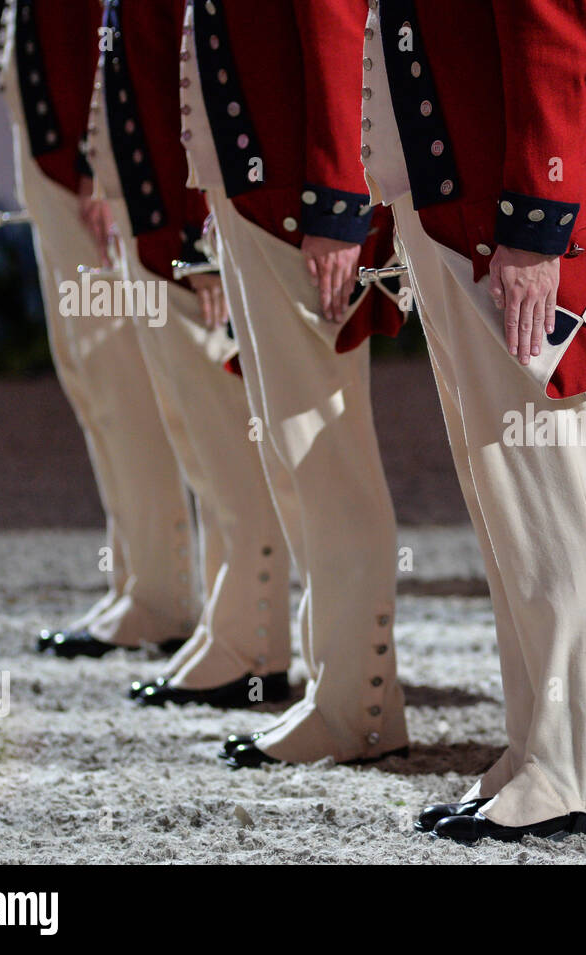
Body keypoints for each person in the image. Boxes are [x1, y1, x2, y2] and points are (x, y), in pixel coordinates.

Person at [361, 0, 586, 842]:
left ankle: (582, 768)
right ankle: (536, 748)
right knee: (511, 510)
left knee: (550, 499)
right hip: (456, 206)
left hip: (509, 213)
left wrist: (536, 221)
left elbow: (552, 32)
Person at [179, 0, 410, 764]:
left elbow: (335, 20)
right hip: (257, 183)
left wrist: (338, 197)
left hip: (293, 191)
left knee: (324, 452)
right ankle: (340, 693)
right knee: (292, 448)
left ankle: (361, 705)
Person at [86, 0, 292, 707]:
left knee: (223, 439)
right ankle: (228, 624)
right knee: (198, 436)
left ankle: (254, 642)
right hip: (157, 214)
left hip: (183, 219)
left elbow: (197, 77)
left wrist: (196, 234)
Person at [0, 0, 197, 659]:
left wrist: (97, 153)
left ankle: (162, 593)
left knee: (119, 377)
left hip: (79, 154)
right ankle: (137, 576)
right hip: (54, 146)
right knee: (91, 374)